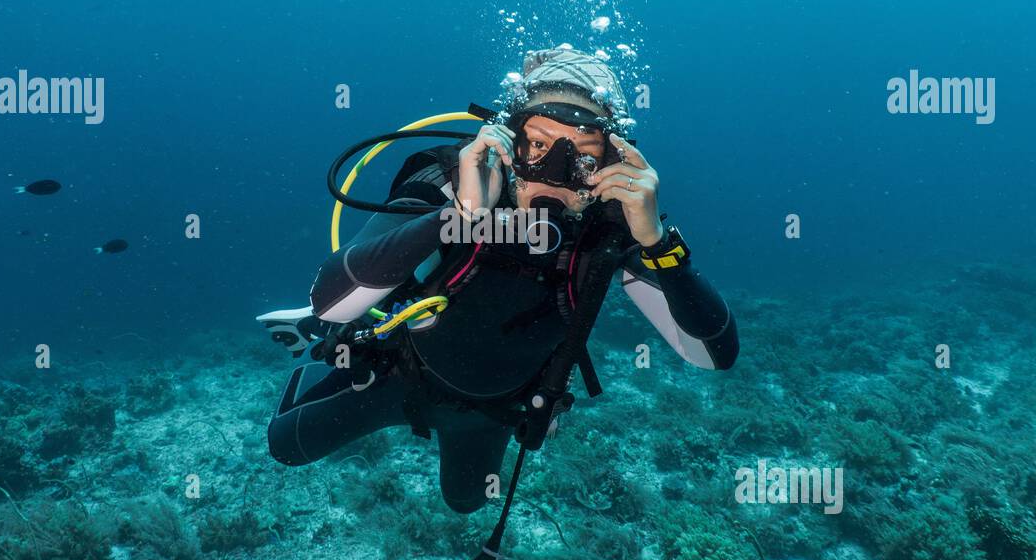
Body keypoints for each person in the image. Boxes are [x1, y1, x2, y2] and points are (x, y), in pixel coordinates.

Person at [261, 47, 738, 514]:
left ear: (614, 161)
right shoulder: (456, 175)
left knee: (466, 502)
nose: (554, 173)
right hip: (395, 372)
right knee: (286, 445)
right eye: (537, 144)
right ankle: (329, 348)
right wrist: (460, 215)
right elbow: (329, 298)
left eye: (583, 157)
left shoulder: (615, 224)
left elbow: (712, 354)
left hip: (496, 406)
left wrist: (657, 243)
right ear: (507, 139)